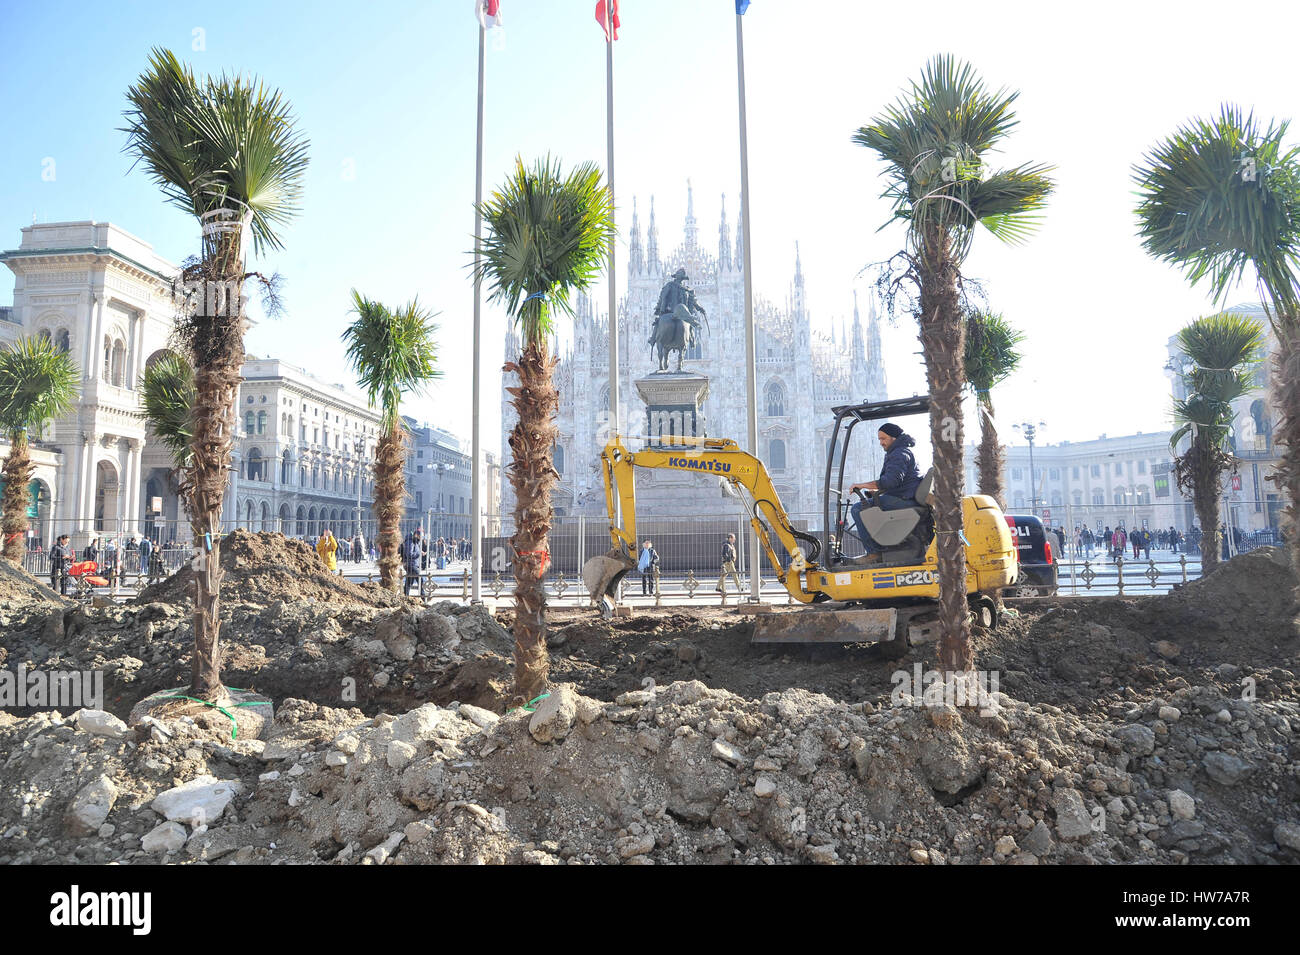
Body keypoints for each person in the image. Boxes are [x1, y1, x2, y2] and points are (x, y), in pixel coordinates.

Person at [847, 422, 922, 564]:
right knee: (867, 505)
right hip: (903, 495)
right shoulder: (900, 451)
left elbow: (891, 481)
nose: (881, 443)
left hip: (903, 498)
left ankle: (874, 553)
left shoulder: (899, 454)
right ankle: (882, 548)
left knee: (858, 509)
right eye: (879, 439)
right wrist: (875, 490)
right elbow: (895, 481)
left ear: (894, 438)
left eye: (883, 439)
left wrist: (862, 485)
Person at [402, 528, 424, 597]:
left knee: (409, 582)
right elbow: (409, 554)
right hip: (411, 564)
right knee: (420, 580)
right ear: (416, 535)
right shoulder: (410, 542)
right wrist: (419, 553)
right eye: (420, 536)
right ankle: (423, 596)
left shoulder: (414, 542)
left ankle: (405, 596)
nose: (421, 538)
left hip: (412, 564)